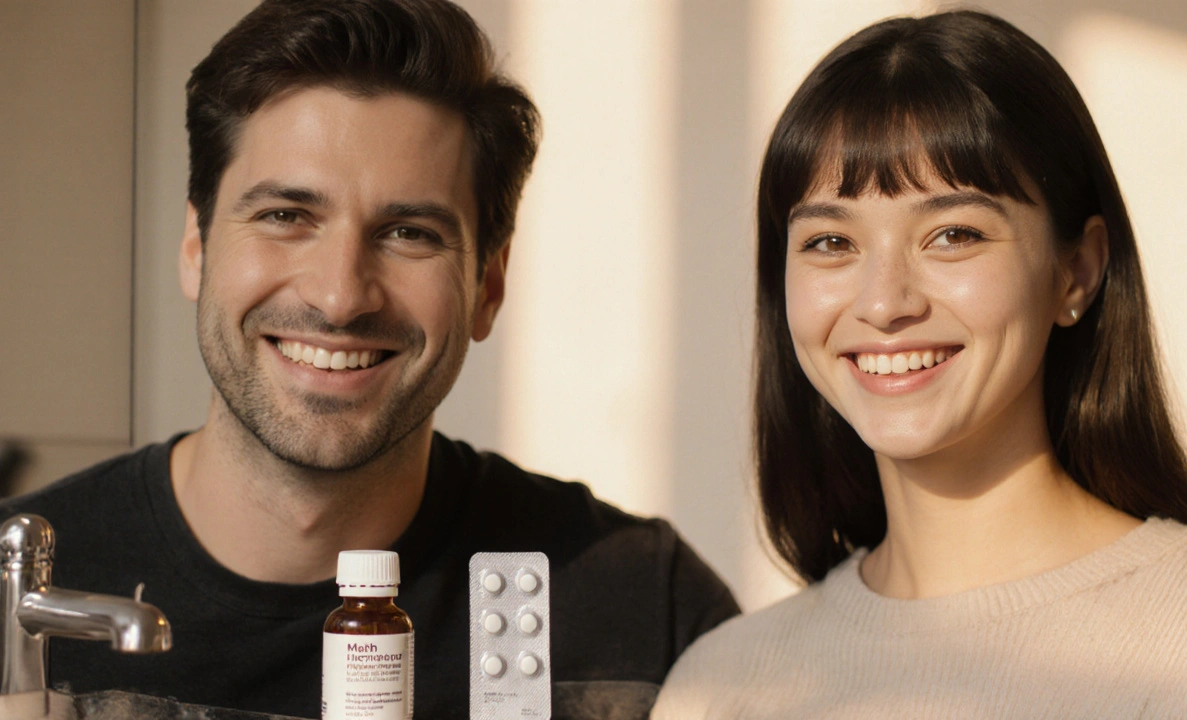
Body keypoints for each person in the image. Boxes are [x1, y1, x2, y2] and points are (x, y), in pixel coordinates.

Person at [0, 1, 737, 717]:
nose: (340, 295)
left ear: (488, 286)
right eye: (286, 216)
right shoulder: (17, 599)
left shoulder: (643, 612)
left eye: (410, 232)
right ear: (196, 247)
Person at [652, 9, 1187, 719]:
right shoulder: (720, 688)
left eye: (953, 234)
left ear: (1076, 272)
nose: (884, 303)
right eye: (831, 243)